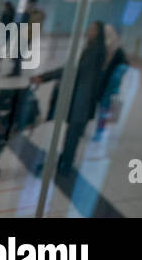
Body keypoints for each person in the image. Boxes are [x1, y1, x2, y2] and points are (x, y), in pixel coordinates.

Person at [31, 20, 109, 178]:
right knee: (71, 134)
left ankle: (65, 165)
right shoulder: (93, 48)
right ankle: (64, 161)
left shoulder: (96, 50)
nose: (89, 30)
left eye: (93, 29)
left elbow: (76, 70)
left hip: (83, 100)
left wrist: (45, 76)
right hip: (80, 97)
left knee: (73, 134)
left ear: (99, 32)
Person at [93, 24, 128, 139]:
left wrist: (116, 79)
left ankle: (100, 130)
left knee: (104, 108)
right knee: (96, 106)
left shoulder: (118, 51)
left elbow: (124, 66)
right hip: (98, 82)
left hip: (108, 85)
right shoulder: (99, 48)